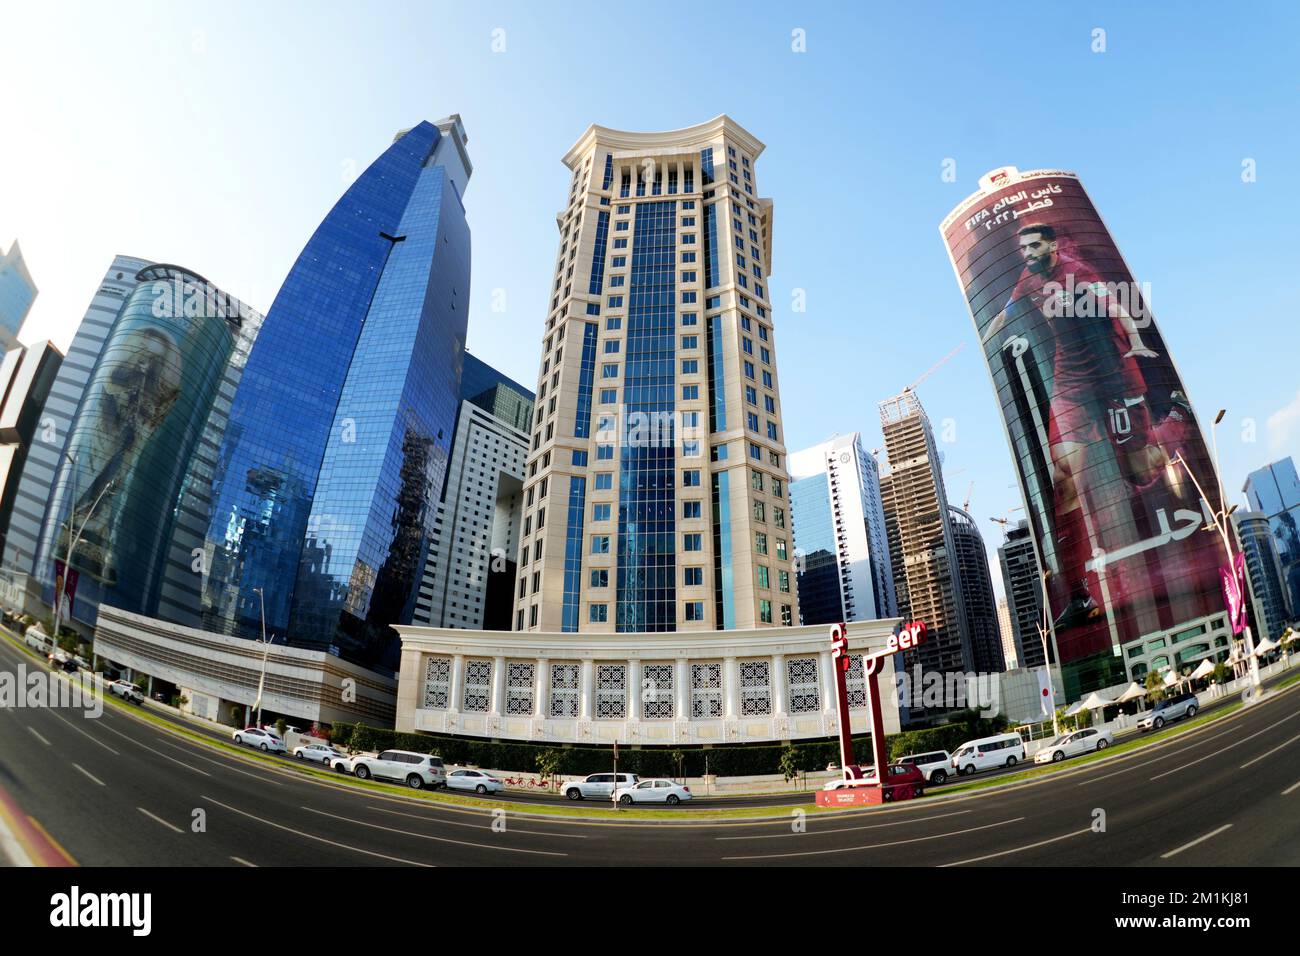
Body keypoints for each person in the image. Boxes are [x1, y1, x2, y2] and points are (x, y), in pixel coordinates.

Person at [982, 223, 1192, 631]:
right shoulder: (1029, 277)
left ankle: (1177, 418)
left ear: (1053, 246)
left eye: (1035, 245)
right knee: (1063, 477)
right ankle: (1080, 593)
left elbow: (1114, 307)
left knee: (1141, 468)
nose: (1027, 252)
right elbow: (1005, 313)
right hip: (1071, 381)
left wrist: (1134, 341)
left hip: (1112, 374)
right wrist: (986, 342)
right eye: (1023, 247)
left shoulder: (1079, 273)